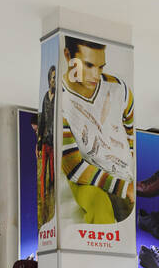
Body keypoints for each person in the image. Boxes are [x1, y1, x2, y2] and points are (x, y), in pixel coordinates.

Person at [60, 37, 135, 225]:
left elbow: (130, 126)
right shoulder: (60, 101)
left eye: (101, 67)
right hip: (87, 180)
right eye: (89, 65)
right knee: (100, 209)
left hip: (125, 178)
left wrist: (128, 158)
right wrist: (123, 188)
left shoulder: (119, 89)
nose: (96, 74)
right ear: (68, 55)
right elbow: (73, 166)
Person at [36, 66, 56, 226]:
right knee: (43, 174)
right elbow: (42, 120)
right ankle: (43, 201)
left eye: (55, 78)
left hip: (55, 142)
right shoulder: (45, 96)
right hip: (45, 142)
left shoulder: (59, 97)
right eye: (52, 77)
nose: (53, 80)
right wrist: (38, 141)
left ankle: (53, 202)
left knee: (53, 174)